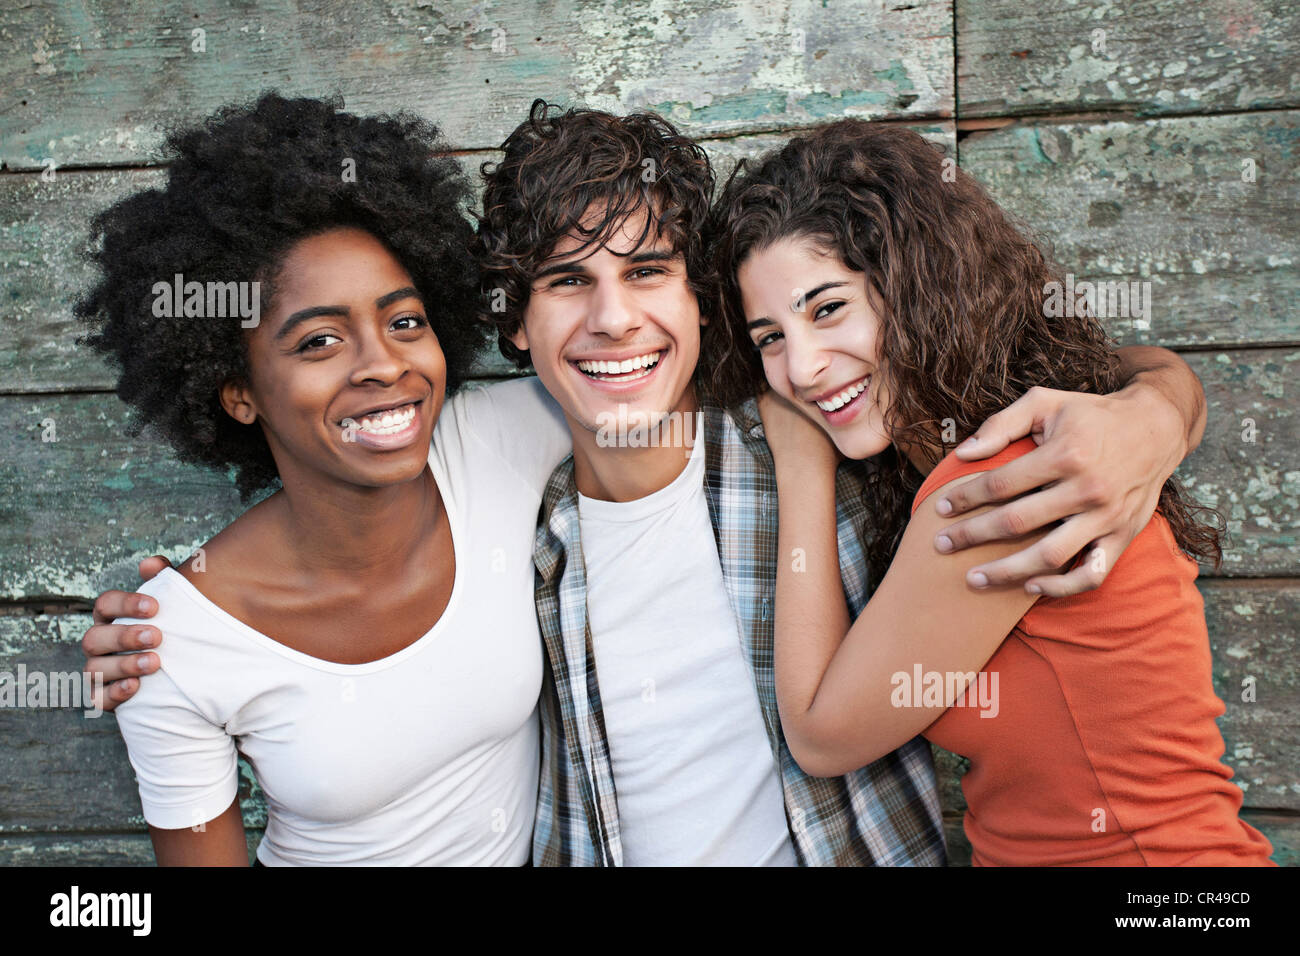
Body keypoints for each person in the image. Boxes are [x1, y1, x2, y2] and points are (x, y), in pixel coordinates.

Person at [86, 101, 1208, 866]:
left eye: (648, 272)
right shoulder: (498, 485)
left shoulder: (818, 437)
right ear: (514, 328)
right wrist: (181, 618)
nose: (613, 317)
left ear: (694, 303)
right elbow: (344, 464)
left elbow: (1050, 376)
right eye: (566, 281)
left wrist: (1152, 411)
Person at [709, 119, 1275, 865]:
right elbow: (1139, 366)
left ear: (916, 286)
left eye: (827, 309)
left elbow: (819, 735)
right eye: (770, 338)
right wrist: (1164, 399)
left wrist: (800, 460)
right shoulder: (1039, 425)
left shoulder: (995, 481)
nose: (803, 369)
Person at [75, 93, 571, 865]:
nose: (383, 364)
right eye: (318, 341)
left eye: (405, 321)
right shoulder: (164, 643)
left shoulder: (500, 439)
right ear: (236, 390)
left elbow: (659, 385)